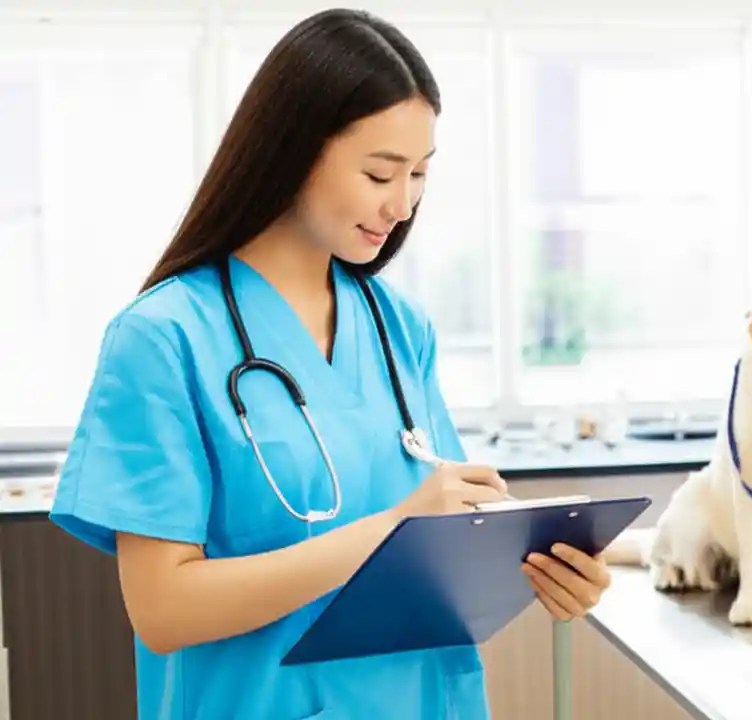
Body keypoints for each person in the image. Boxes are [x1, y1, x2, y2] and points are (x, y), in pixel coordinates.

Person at [49, 9, 610, 719]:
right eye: (380, 172)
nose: (401, 204)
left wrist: (538, 568)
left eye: (419, 175)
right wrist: (387, 531)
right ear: (294, 150)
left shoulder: (398, 327)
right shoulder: (164, 338)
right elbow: (163, 610)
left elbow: (438, 541)